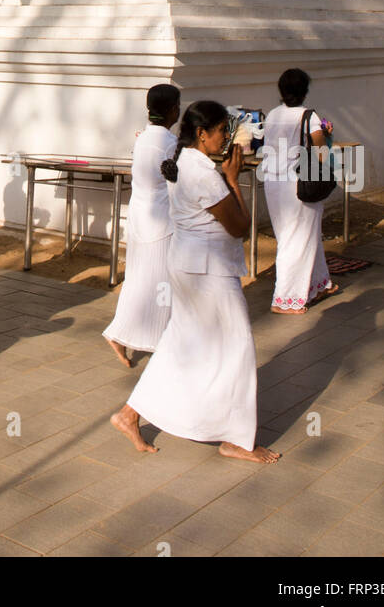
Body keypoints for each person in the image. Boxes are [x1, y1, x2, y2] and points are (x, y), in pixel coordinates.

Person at [111, 101, 280, 466]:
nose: (226, 139)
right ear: (202, 134)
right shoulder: (201, 172)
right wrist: (234, 180)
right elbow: (239, 226)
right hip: (207, 273)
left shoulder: (187, 159)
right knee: (238, 347)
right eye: (222, 131)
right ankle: (236, 438)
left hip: (192, 267)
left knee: (179, 344)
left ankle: (129, 414)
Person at [102, 83, 180, 367]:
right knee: (160, 281)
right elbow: (176, 182)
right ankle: (157, 339)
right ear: (174, 110)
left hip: (139, 216)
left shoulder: (145, 137)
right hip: (159, 220)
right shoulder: (169, 142)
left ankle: (120, 332)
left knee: (139, 278)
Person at [261, 67, 338, 315]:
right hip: (298, 183)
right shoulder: (309, 117)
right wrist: (327, 138)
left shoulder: (272, 114)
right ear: (304, 91)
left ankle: (319, 283)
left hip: (274, 182)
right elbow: (320, 152)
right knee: (296, 240)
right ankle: (284, 299)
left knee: (301, 235)